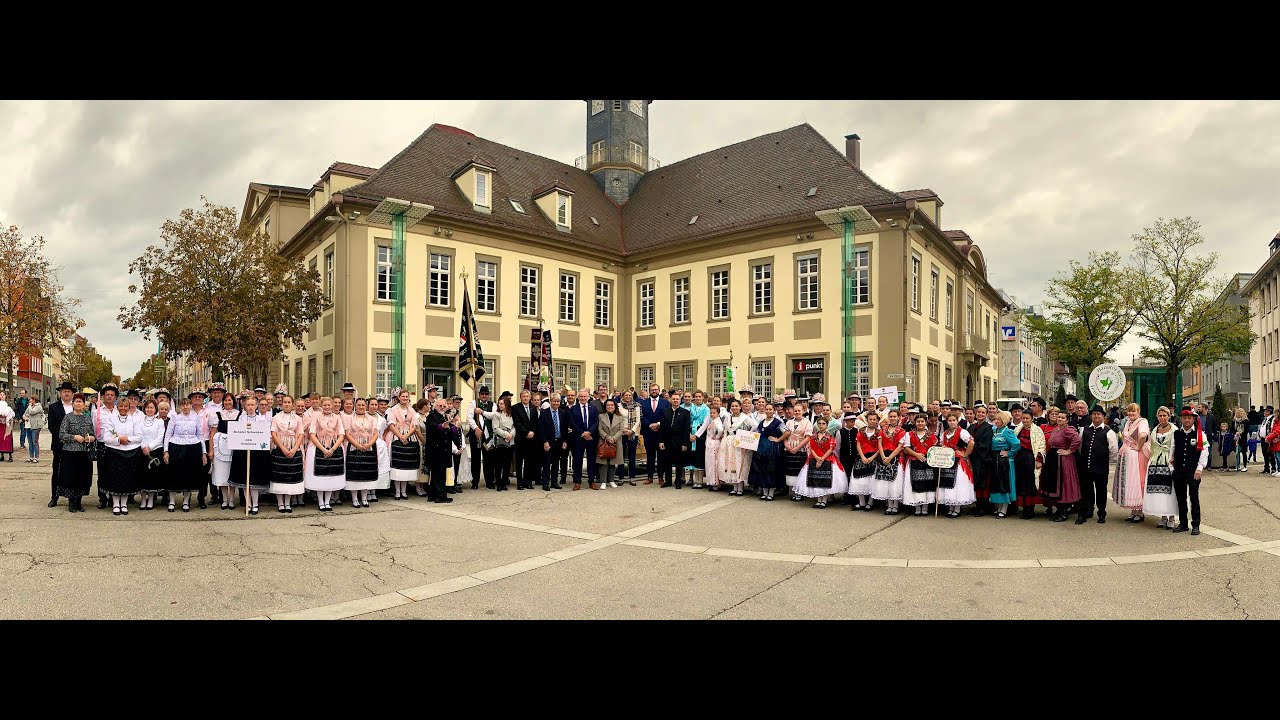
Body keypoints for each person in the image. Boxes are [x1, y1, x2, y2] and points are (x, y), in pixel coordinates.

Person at [163, 393, 208, 512]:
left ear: (190, 405)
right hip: (176, 447)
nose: (185, 407)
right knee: (174, 475)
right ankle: (172, 501)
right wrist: (166, 451)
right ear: (180, 407)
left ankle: (186, 501)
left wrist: (204, 453)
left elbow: (200, 435)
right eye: (183, 405)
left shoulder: (196, 418)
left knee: (189, 476)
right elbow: (168, 435)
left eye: (187, 405)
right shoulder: (175, 418)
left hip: (192, 448)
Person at [101, 390, 143, 516]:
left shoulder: (134, 420)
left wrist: (127, 439)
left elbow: (139, 437)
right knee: (115, 479)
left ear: (129, 407)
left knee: (126, 479)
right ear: (117, 406)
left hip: (130, 452)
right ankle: (115, 504)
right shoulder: (111, 419)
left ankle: (124, 504)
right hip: (114, 452)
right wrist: (119, 439)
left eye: (126, 406)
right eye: (121, 406)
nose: (123, 408)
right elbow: (106, 438)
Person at [1075, 405, 1117, 524]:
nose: (1096, 416)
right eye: (1094, 414)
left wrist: (1103, 459)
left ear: (1103, 416)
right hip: (1085, 466)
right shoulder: (1084, 429)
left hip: (1101, 467)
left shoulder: (1109, 432)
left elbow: (1113, 450)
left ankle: (1101, 513)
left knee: (1101, 490)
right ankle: (1084, 513)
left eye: (1099, 414)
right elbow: (1080, 446)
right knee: (1085, 490)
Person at [229, 395, 272, 515]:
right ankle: (248, 504)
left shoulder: (262, 419)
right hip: (243, 451)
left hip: (257, 452)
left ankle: (255, 504)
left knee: (254, 479)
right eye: (248, 405)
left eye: (253, 404)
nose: (251, 407)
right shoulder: (241, 419)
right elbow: (237, 434)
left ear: (256, 405)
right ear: (244, 406)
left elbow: (266, 435)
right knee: (245, 479)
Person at [793, 417, 848, 509]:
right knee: (816, 479)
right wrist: (817, 457)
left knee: (825, 480)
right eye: (819, 424)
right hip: (814, 458)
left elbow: (831, 449)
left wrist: (822, 458)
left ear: (827, 425)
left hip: (827, 459)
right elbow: (812, 448)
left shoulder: (830, 436)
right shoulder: (813, 436)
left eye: (823, 424)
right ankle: (819, 500)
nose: (821, 425)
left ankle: (824, 500)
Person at [1141, 406, 1180, 529]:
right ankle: (1163, 517)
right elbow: (1151, 446)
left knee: (1170, 490)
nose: (1162, 418)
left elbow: (1176, 447)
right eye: (1160, 415)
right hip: (1155, 462)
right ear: (1157, 417)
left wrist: (1173, 459)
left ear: (1169, 416)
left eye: (1165, 415)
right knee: (1159, 491)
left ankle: (1172, 518)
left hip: (1168, 462)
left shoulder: (1174, 430)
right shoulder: (1154, 430)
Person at [1171, 406, 1208, 535]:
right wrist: (1172, 468)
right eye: (1185, 418)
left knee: (1194, 498)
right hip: (1179, 470)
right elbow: (1172, 451)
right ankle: (1183, 523)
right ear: (1181, 419)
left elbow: (1204, 452)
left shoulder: (1200, 434)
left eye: (1189, 418)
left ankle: (1196, 524)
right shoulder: (1176, 433)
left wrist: (1200, 468)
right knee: (1181, 498)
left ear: (1193, 419)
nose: (1187, 420)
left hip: (1193, 471)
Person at [55, 393, 95, 512]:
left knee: (82, 477)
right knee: (70, 477)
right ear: (73, 404)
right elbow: (62, 434)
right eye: (76, 401)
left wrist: (90, 438)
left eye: (81, 402)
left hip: (83, 453)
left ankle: (79, 501)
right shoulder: (68, 417)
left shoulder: (87, 418)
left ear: (84, 405)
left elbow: (92, 434)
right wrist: (74, 437)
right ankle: (71, 501)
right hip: (70, 452)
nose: (78, 404)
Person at [1043, 407, 1082, 522]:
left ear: (1067, 420)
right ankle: (1059, 510)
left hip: (1063, 460)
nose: (1059, 419)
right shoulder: (1056, 429)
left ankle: (1063, 512)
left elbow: (1077, 440)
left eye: (1062, 417)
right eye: (1058, 417)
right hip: (1053, 458)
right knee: (1055, 485)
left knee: (1063, 485)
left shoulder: (1068, 429)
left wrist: (1069, 451)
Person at [937, 410, 978, 518]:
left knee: (957, 484)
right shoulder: (944, 433)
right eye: (949, 421)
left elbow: (971, 442)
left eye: (953, 420)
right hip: (948, 461)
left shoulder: (962, 432)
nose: (951, 423)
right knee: (948, 483)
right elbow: (941, 445)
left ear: (957, 421)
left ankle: (957, 508)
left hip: (959, 462)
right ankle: (951, 507)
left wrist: (965, 454)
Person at [1114, 403, 1150, 522]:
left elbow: (1143, 435)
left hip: (1137, 456)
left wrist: (1139, 447)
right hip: (1128, 456)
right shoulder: (1129, 422)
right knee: (1130, 482)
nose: (1131, 413)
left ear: (1138, 411)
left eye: (1133, 411)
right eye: (1129, 411)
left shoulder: (1142, 422)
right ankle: (1134, 510)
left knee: (1138, 481)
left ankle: (1140, 512)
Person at [386, 390, 422, 499]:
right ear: (399, 397)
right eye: (403, 396)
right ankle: (397, 491)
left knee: (406, 465)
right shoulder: (392, 410)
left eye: (407, 396)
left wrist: (406, 436)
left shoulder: (412, 411)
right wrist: (400, 436)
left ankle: (404, 491)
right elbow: (391, 425)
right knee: (397, 465)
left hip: (409, 436)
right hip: (396, 436)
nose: (405, 398)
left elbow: (415, 425)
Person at [344, 398, 379, 508]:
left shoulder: (372, 419)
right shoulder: (349, 419)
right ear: (355, 406)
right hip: (354, 447)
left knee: (366, 472)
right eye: (359, 405)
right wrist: (357, 445)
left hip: (368, 447)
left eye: (363, 405)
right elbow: (347, 434)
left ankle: (364, 498)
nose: (361, 407)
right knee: (355, 472)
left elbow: (375, 434)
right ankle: (355, 499)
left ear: (366, 406)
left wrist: (369, 444)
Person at [900, 411, 937, 516]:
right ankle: (917, 506)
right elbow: (906, 447)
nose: (920, 423)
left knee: (926, 484)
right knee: (914, 484)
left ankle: (925, 507)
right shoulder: (909, 434)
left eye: (922, 421)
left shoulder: (931, 435)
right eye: (918, 421)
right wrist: (917, 455)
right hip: (913, 461)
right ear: (915, 423)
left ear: (926, 423)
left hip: (927, 462)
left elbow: (935, 448)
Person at [748, 399, 786, 500]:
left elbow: (787, 432)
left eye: (770, 409)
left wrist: (778, 439)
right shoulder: (761, 422)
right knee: (762, 470)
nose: (768, 411)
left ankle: (771, 493)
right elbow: (756, 434)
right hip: (761, 449)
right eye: (767, 409)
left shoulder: (778, 422)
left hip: (772, 450)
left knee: (771, 470)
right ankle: (764, 492)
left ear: (774, 411)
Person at [47, 382, 77, 507]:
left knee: (72, 471)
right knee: (57, 471)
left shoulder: (77, 406)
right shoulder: (54, 407)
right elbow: (52, 426)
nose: (66, 393)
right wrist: (62, 437)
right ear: (60, 393)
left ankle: (72, 498)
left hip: (75, 446)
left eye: (68, 391)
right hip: (59, 444)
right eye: (64, 391)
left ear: (72, 394)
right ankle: (55, 497)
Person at [988, 411, 1020, 518]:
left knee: (1004, 482)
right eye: (995, 419)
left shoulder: (1007, 431)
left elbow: (1016, 443)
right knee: (997, 482)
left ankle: (1005, 508)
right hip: (995, 458)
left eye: (998, 419)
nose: (995, 421)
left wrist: (1009, 453)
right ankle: (999, 506)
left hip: (1004, 461)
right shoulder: (995, 430)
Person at [479, 396, 515, 491]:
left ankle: (504, 483)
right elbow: (495, 428)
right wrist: (506, 434)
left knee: (507, 464)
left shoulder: (511, 415)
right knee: (499, 464)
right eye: (499, 403)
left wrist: (511, 434)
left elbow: (514, 426)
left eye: (502, 403)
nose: (501, 405)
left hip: (510, 441)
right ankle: (498, 483)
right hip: (500, 442)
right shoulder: (496, 415)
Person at [137, 399, 168, 511]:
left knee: (152, 476)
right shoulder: (139, 421)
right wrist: (144, 447)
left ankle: (150, 499)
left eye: (152, 407)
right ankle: (143, 499)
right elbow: (138, 434)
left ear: (155, 409)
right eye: (148, 407)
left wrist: (149, 447)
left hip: (155, 450)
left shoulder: (159, 422)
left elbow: (160, 437)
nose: (150, 409)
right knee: (142, 475)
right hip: (142, 450)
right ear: (144, 408)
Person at [422, 399, 454, 503]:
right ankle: (441, 496)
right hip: (435, 451)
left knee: (439, 473)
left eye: (444, 406)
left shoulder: (444, 416)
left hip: (443, 451)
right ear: (435, 406)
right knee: (438, 474)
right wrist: (441, 426)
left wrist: (453, 428)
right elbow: (431, 427)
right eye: (440, 406)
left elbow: (449, 429)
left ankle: (432, 495)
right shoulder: (432, 416)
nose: (442, 408)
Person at [658, 391, 690, 489]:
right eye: (674, 399)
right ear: (670, 400)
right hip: (667, 440)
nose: (675, 401)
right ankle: (668, 480)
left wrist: (685, 443)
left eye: (677, 399)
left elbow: (686, 429)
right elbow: (662, 427)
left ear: (680, 401)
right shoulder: (665, 411)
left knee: (678, 462)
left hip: (679, 441)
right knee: (667, 461)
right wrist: (661, 441)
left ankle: (678, 481)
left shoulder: (685, 413)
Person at [846, 411, 877, 510]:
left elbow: (880, 446)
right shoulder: (862, 431)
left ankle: (870, 503)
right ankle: (862, 502)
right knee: (859, 480)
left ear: (877, 421)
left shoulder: (879, 432)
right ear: (867, 420)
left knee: (872, 481)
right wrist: (863, 456)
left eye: (874, 419)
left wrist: (872, 457)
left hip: (874, 457)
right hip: (861, 456)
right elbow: (858, 444)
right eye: (870, 419)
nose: (872, 421)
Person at [511, 389, 541, 491]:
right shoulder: (516, 408)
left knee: (529, 462)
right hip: (521, 439)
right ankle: (519, 483)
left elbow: (536, 423)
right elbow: (517, 423)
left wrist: (532, 432)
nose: (526, 398)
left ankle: (528, 482)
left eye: (527, 396)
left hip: (531, 439)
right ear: (521, 397)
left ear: (530, 398)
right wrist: (526, 432)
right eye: (524, 396)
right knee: (519, 462)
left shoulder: (533, 408)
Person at [782, 403, 813, 500]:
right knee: (791, 471)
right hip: (790, 449)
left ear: (803, 411)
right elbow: (785, 435)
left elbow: (808, 438)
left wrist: (797, 448)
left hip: (801, 450)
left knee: (800, 471)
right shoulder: (788, 422)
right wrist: (787, 445)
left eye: (799, 411)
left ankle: (800, 493)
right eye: (795, 411)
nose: (797, 412)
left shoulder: (807, 423)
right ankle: (794, 491)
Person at [968, 403, 994, 516]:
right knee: (976, 483)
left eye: (983, 412)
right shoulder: (972, 427)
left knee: (983, 484)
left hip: (983, 460)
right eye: (979, 412)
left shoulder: (988, 428)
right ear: (975, 413)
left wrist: (971, 448)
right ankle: (978, 505)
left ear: (986, 414)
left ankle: (983, 507)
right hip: (973, 459)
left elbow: (985, 445)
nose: (980, 414)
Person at [539, 391, 569, 491]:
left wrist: (565, 441)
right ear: (551, 401)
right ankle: (545, 483)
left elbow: (564, 428)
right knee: (547, 463)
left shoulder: (562, 413)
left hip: (559, 441)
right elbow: (541, 429)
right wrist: (545, 442)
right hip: (548, 441)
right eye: (554, 401)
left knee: (556, 463)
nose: (556, 403)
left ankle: (554, 482)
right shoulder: (544, 413)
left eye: (558, 401)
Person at [640, 382, 669, 483]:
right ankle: (650, 477)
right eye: (652, 390)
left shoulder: (665, 402)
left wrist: (658, 424)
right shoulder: (643, 403)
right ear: (649, 391)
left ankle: (661, 477)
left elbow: (667, 417)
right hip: (648, 432)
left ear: (659, 390)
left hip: (661, 433)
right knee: (650, 456)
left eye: (656, 389)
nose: (654, 391)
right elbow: (641, 417)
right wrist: (650, 425)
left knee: (661, 456)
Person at [596, 398, 625, 489]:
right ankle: (603, 481)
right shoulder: (601, 416)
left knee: (613, 461)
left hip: (616, 442)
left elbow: (621, 429)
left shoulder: (619, 417)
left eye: (612, 405)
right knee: (603, 462)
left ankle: (611, 480)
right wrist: (607, 437)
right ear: (605, 406)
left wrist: (614, 438)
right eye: (608, 405)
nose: (610, 407)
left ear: (615, 406)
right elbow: (599, 429)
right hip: (604, 441)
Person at [684, 391, 711, 488]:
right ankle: (696, 480)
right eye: (696, 396)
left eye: (700, 396)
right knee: (693, 456)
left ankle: (700, 481)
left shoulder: (707, 409)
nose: (698, 398)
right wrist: (690, 433)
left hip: (701, 433)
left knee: (700, 455)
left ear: (703, 397)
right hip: (692, 432)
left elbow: (705, 423)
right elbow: (688, 421)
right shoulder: (691, 408)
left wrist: (697, 434)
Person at [702, 395, 726, 491]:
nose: (712, 414)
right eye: (711, 413)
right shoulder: (713, 421)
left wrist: (717, 436)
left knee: (714, 463)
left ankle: (716, 483)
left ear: (718, 414)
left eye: (714, 413)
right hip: (710, 444)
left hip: (714, 444)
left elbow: (720, 430)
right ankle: (713, 482)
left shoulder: (717, 422)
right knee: (710, 463)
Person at [618, 390, 641, 485]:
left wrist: (632, 431)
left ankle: (632, 477)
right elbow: (618, 419)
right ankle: (621, 477)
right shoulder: (618, 405)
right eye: (626, 395)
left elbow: (638, 420)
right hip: (621, 433)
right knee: (621, 456)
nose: (628, 396)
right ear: (622, 396)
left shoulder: (637, 406)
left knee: (632, 456)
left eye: (629, 395)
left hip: (633, 434)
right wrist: (624, 430)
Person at [22, 393, 45, 463]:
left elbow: (31, 412)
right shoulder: (29, 407)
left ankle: (36, 457)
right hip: (28, 425)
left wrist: (29, 406)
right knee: (30, 442)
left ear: (34, 400)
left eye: (31, 399)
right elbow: (24, 414)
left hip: (36, 426)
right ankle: (31, 456)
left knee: (35, 442)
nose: (30, 401)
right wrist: (24, 417)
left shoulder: (38, 406)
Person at [1232, 407, 1250, 472]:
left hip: (1243, 438)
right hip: (1236, 437)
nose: (1239, 414)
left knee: (1244, 452)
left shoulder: (1245, 421)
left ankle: (1245, 466)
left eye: (1240, 413)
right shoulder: (1234, 421)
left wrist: (1241, 433)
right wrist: (1235, 433)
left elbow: (1247, 429)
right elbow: (1232, 428)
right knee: (1237, 452)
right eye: (1237, 413)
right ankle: (1238, 465)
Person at [0, 391, 15, 462]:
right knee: (1, 439)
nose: (2, 396)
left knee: (8, 439)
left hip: (7, 425)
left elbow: (12, 413)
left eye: (3, 395)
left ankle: (10, 455)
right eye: (1, 395)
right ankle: (2, 455)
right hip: (0, 424)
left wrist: (9, 415)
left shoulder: (8, 404)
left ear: (6, 396)